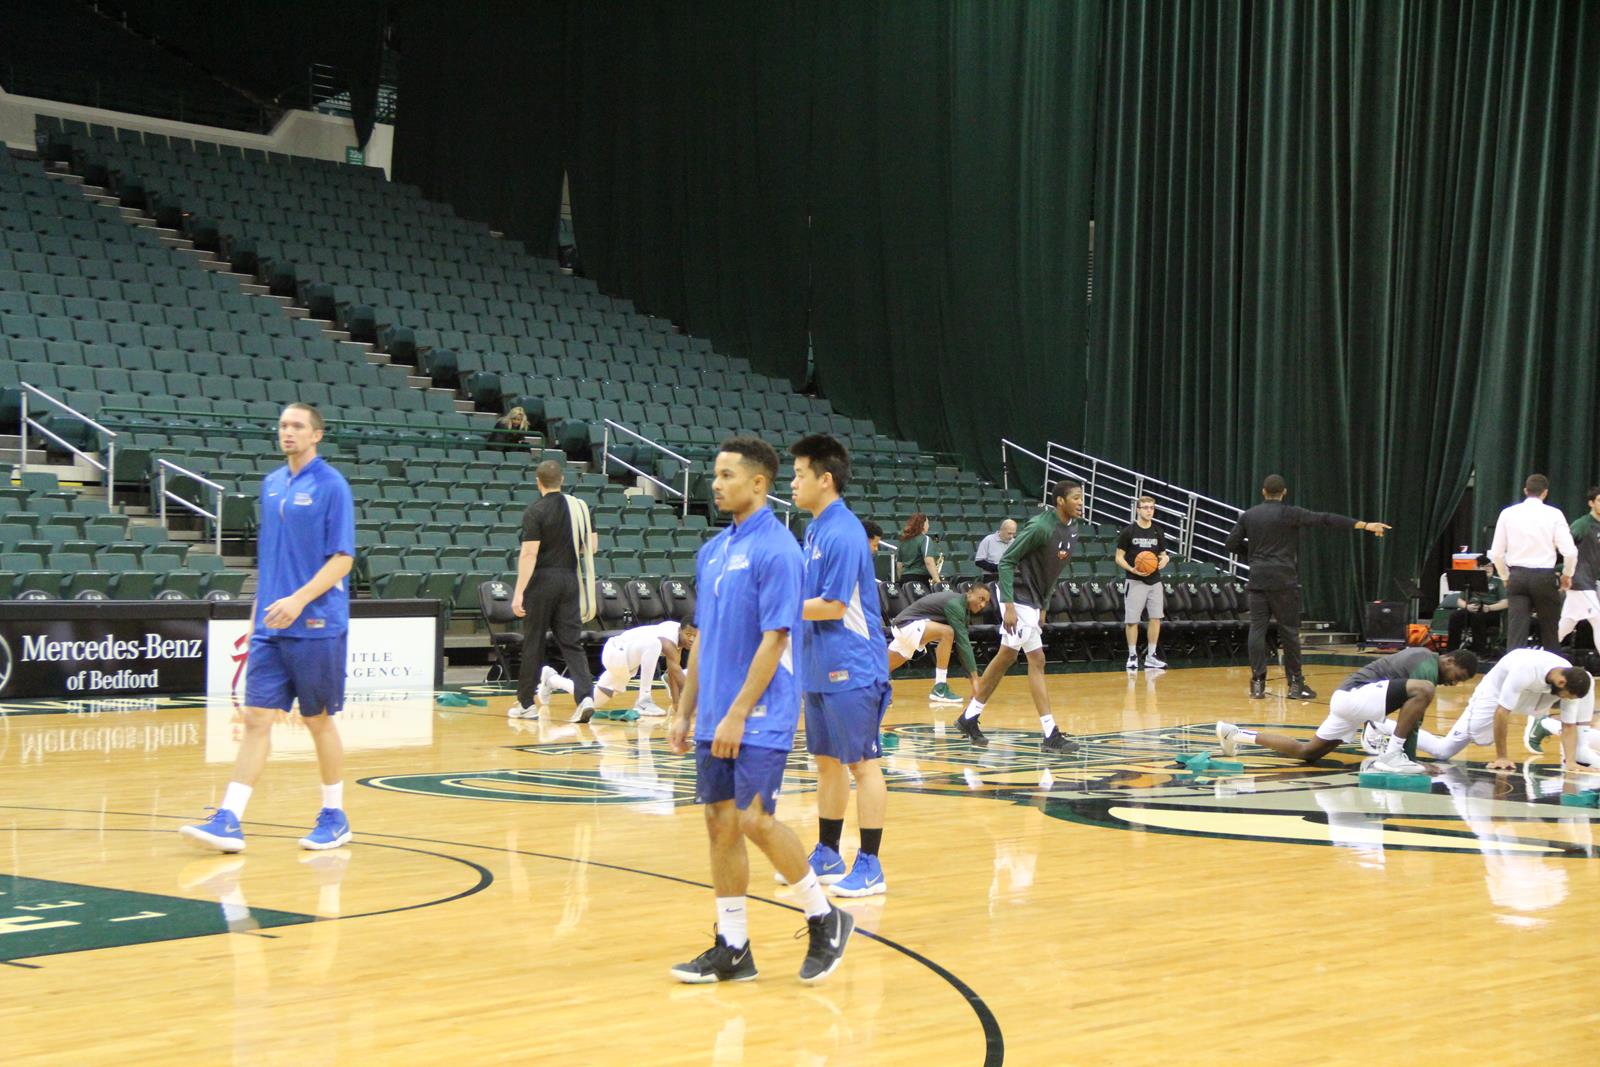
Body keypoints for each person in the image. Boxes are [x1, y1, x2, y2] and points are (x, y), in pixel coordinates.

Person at [667, 437, 854, 984]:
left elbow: (776, 639)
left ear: (758, 484)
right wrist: (685, 710)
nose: (716, 483)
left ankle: (825, 918)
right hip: (715, 713)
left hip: (760, 713)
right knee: (718, 822)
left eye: (727, 475)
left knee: (753, 818)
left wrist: (737, 713)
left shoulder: (779, 550)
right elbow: (704, 637)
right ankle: (734, 947)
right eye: (715, 474)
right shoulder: (713, 551)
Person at [181, 403, 356, 853]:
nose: (288, 433)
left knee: (317, 720)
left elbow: (343, 559)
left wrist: (299, 600)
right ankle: (229, 818)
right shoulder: (272, 485)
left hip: (316, 622)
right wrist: (256, 612)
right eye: (282, 426)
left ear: (316, 434)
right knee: (256, 718)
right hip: (270, 625)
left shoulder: (332, 486)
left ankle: (335, 815)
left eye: (297, 426)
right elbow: (272, 558)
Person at [789, 433, 892, 898]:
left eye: (799, 474)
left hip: (852, 664)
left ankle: (869, 863)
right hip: (819, 663)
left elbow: (831, 605)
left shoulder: (845, 530)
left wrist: (774, 604)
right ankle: (828, 851)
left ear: (824, 480)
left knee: (863, 764)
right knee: (827, 762)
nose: (792, 483)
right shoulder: (815, 528)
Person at [1223, 474, 1391, 700]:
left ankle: (1257, 683)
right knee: (1289, 632)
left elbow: (1231, 544)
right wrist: (1365, 525)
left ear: (1263, 492)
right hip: (1284, 580)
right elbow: (1326, 519)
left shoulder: (1250, 515)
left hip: (1258, 579)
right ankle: (1295, 685)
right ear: (1284, 493)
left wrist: (1253, 557)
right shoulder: (1290, 513)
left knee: (1257, 630)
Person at [953, 479, 1083, 753]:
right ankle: (1050, 733)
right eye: (1075, 498)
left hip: (1033, 600)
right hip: (1018, 596)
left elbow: (1052, 573)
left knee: (1007, 657)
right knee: (1037, 659)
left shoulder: (1072, 530)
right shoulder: (1040, 527)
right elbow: (1007, 561)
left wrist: (1044, 605)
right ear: (1060, 501)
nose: (1080, 503)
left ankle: (969, 717)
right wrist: (1009, 605)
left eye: (1081, 498)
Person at [1216, 648, 1479, 775]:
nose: (1454, 683)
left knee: (1309, 752)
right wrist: (1409, 759)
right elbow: (1416, 719)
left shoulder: (1425, 661)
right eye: (1459, 676)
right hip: (1356, 698)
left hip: (1351, 702)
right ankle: (1393, 756)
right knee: (1424, 690)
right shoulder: (1427, 664)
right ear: (1449, 660)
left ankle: (1235, 734)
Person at [1366, 647, 1591, 770]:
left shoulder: (1572, 678)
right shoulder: (1525, 670)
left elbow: (1569, 724)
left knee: (1570, 695)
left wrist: (1570, 761)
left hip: (1532, 695)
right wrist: (1502, 757)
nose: (1565, 700)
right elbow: (1502, 713)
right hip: (1493, 696)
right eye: (1565, 696)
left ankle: (1541, 721)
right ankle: (1379, 723)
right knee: (1444, 751)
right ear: (1561, 682)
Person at [508, 460, 599, 723]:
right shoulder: (580, 509)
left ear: (538, 481)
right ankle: (585, 698)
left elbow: (529, 554)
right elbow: (591, 546)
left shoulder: (535, 511)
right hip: (570, 579)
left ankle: (526, 703)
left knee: (534, 642)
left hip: (542, 580)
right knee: (572, 642)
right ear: (562, 480)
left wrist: (519, 592)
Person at [525, 621, 696, 718]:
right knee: (653, 643)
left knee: (593, 701)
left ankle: (551, 679)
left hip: (626, 661)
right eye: (688, 635)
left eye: (695, 636)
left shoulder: (677, 641)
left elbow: (674, 673)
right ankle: (644, 700)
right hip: (616, 650)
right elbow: (675, 673)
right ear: (680, 629)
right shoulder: (667, 637)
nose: (691, 639)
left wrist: (676, 704)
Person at [1487, 473, 1577, 652]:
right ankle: (1553, 676)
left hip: (1517, 576)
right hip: (1544, 577)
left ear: (1525, 491)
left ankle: (1513, 675)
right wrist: (1567, 574)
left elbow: (1496, 553)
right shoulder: (1554, 514)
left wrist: (1505, 576)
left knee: (1516, 634)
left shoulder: (1508, 514)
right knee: (1550, 632)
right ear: (1545, 493)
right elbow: (1570, 551)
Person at [888, 585, 990, 705]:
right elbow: (963, 644)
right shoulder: (955, 605)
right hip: (907, 624)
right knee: (947, 633)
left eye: (986, 602)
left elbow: (963, 645)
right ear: (969, 594)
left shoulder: (961, 607)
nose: (983, 605)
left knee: (883, 669)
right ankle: (940, 687)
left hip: (904, 627)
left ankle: (871, 689)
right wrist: (975, 681)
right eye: (981, 599)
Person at [1116, 495, 1171, 671]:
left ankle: (1151, 656)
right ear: (1138, 510)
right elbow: (1118, 557)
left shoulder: (1158, 531)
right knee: (1132, 620)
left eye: (1151, 508)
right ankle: (1132, 656)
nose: (1149, 510)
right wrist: (1131, 569)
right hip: (1135, 580)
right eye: (1145, 507)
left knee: (1156, 618)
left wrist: (1165, 559)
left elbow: (1163, 554)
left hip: (1155, 581)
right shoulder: (1129, 532)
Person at [1558, 485, 1600, 650]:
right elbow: (1563, 547)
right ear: (1591, 503)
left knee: (1567, 624)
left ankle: (1542, 652)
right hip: (1579, 580)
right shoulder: (1582, 524)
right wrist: (1563, 571)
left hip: (1590, 580)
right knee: (1598, 620)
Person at [1446, 556, 1507, 653]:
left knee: (1477, 617)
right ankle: (1452, 650)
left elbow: (1505, 602)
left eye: (1490, 566)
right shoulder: (1471, 580)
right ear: (1477, 568)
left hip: (1490, 611)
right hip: (1471, 608)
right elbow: (1460, 600)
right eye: (1484, 566)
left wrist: (1490, 608)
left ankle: (1479, 651)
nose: (1488, 568)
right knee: (1455, 616)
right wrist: (1467, 606)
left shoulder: (1497, 582)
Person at [895, 512, 941, 584]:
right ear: (922, 525)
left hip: (904, 579)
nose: (928, 526)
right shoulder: (925, 539)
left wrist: (902, 580)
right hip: (920, 580)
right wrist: (937, 580)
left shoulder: (903, 541)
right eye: (927, 523)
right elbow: (928, 561)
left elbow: (899, 566)